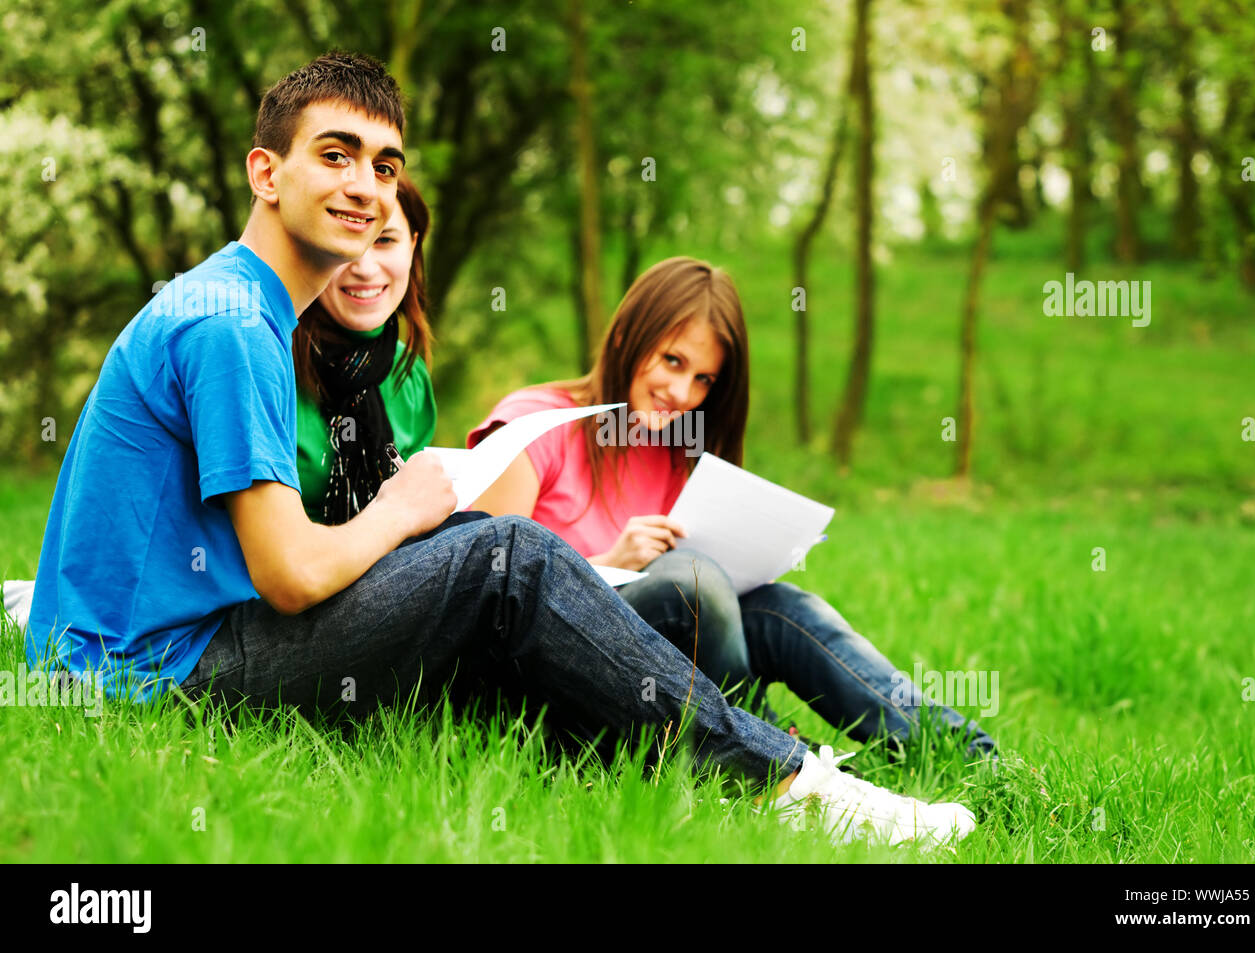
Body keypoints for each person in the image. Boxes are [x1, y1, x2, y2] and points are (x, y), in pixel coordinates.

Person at [22, 51, 975, 848]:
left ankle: (756, 764)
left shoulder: (246, 307)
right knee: (503, 555)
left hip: (158, 645)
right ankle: (798, 786)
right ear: (267, 173)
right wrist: (408, 509)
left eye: (384, 166)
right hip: (152, 675)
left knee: (492, 590)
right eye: (337, 154)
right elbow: (289, 574)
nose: (364, 185)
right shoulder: (230, 323)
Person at [468, 256, 998, 760]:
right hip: (542, 696)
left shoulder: (678, 449)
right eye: (673, 361)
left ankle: (967, 755)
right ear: (628, 336)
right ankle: (777, 758)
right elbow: (482, 608)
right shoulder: (535, 423)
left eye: (704, 379)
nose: (682, 392)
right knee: (689, 581)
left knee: (781, 609)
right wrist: (609, 565)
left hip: (652, 687)